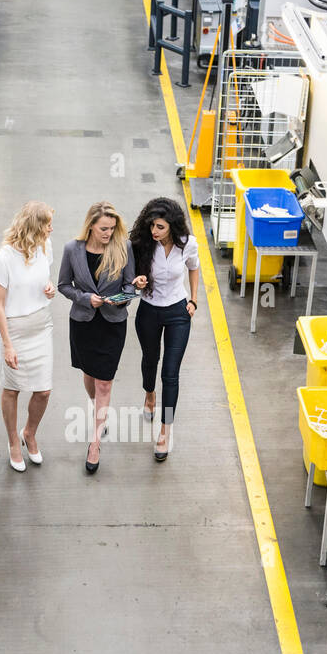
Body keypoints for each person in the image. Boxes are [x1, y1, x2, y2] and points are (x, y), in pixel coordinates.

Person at [57, 201, 146, 474]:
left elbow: (129, 285)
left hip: (112, 323)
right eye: (104, 229)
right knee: (89, 375)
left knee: (104, 382)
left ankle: (95, 443)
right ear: (91, 227)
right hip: (83, 323)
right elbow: (63, 285)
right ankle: (99, 409)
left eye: (112, 228)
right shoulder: (72, 249)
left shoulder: (124, 247)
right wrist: (86, 299)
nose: (109, 233)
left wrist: (127, 294)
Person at [130, 196, 200, 461]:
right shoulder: (143, 245)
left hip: (177, 312)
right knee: (150, 361)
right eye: (151, 226)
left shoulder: (188, 245)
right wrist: (136, 282)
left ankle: (165, 429)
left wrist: (193, 299)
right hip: (148, 310)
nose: (154, 231)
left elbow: (194, 269)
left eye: (159, 227)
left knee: (170, 373)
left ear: (171, 225)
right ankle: (149, 394)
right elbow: (130, 277)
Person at [0, 201, 57, 472]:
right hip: (15, 330)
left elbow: (44, 279)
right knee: (12, 389)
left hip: (41, 326)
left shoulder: (45, 247)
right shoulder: (4, 258)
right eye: (48, 224)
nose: (52, 229)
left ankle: (29, 432)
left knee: (43, 390)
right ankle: (13, 443)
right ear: (34, 227)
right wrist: (8, 344)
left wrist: (49, 289)